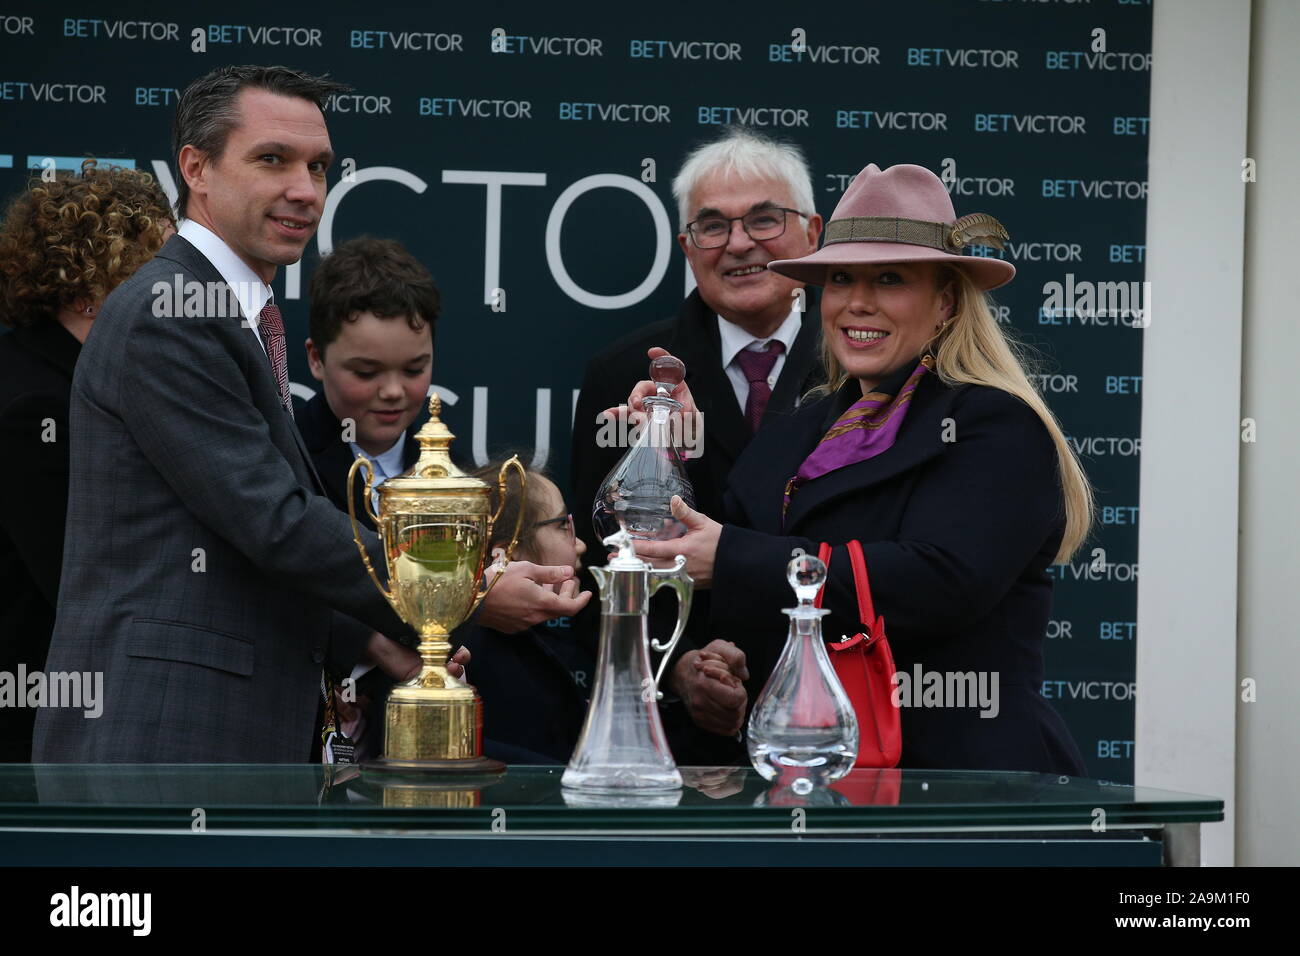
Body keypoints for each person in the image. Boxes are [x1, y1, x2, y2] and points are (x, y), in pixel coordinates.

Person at [631, 163, 1093, 775]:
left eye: (891, 279)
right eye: (842, 278)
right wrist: (724, 665)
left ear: (946, 301)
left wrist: (736, 560)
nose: (857, 303)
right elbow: (742, 570)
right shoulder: (794, 430)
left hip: (962, 791)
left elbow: (939, 582)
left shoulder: (992, 424)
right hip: (806, 786)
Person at [32, 64, 428, 764]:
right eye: (272, 160)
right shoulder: (170, 311)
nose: (305, 191)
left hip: (214, 738)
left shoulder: (229, 315)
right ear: (197, 168)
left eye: (319, 166)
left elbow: (234, 555)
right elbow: (274, 521)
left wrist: (362, 637)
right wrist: (455, 583)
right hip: (161, 739)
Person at [569, 127, 824, 749]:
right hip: (680, 736)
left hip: (836, 714)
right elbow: (597, 561)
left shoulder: (865, 365)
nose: (739, 244)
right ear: (687, 246)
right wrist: (678, 667)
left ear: (813, 235)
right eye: (713, 226)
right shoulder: (624, 373)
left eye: (765, 220)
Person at [294, 237, 591, 759]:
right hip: (298, 745)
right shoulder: (283, 457)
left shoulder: (456, 480)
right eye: (366, 372)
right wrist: (380, 638)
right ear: (316, 359)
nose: (393, 391)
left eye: (414, 369)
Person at [0, 161, 174, 762]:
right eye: (153, 279)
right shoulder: (37, 403)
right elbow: (82, 587)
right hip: (36, 744)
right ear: (85, 292)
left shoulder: (75, 384)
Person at [454, 462, 594, 764]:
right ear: (507, 555)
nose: (580, 545)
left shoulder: (530, 643)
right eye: (562, 526)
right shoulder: (468, 657)